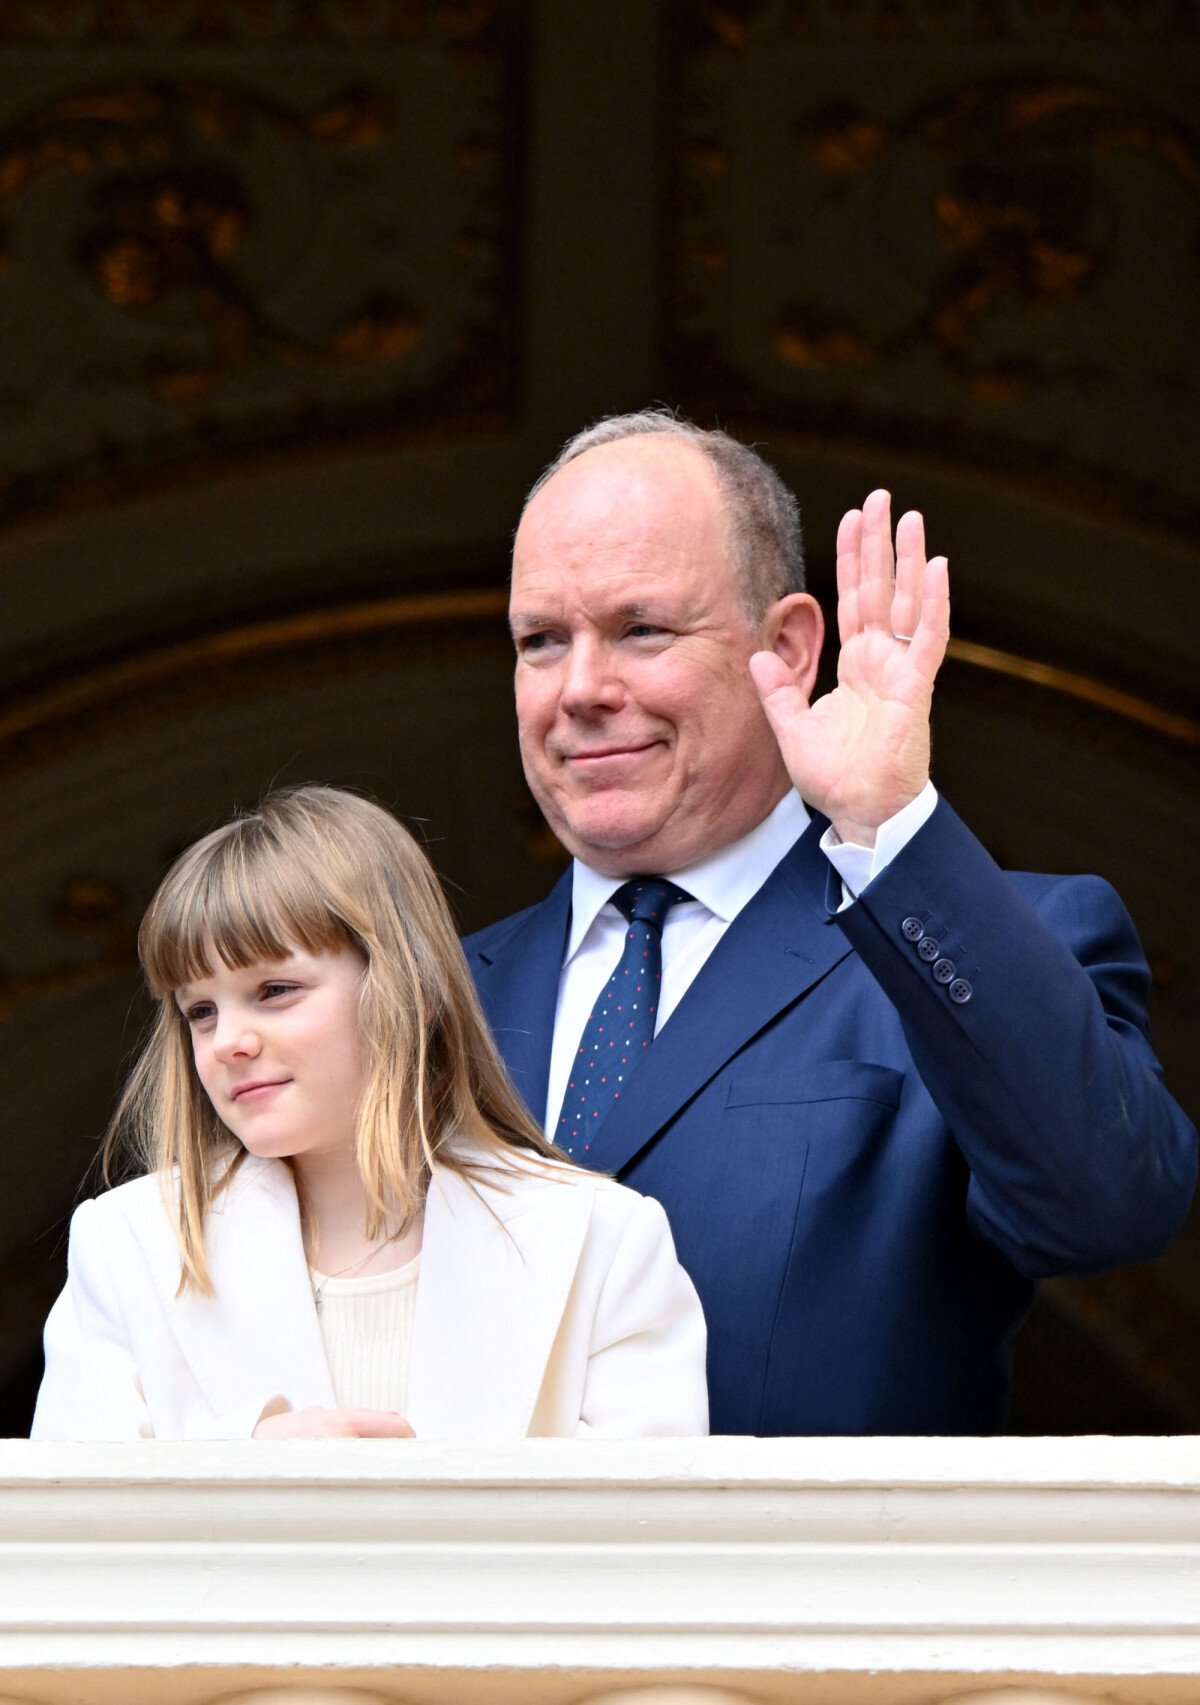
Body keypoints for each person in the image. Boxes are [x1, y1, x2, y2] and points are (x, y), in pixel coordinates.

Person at [463, 408, 1198, 1436]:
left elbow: (1109, 1203)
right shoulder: (427, 997)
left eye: (641, 629)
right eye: (541, 641)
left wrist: (887, 824)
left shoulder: (974, 940)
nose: (581, 688)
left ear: (790, 647)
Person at [32, 786, 707, 1441]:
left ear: (404, 983)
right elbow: (69, 1538)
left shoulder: (602, 1240)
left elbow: (648, 1546)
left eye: (274, 989)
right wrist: (246, 1475)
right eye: (199, 1010)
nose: (227, 1041)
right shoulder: (127, 1247)